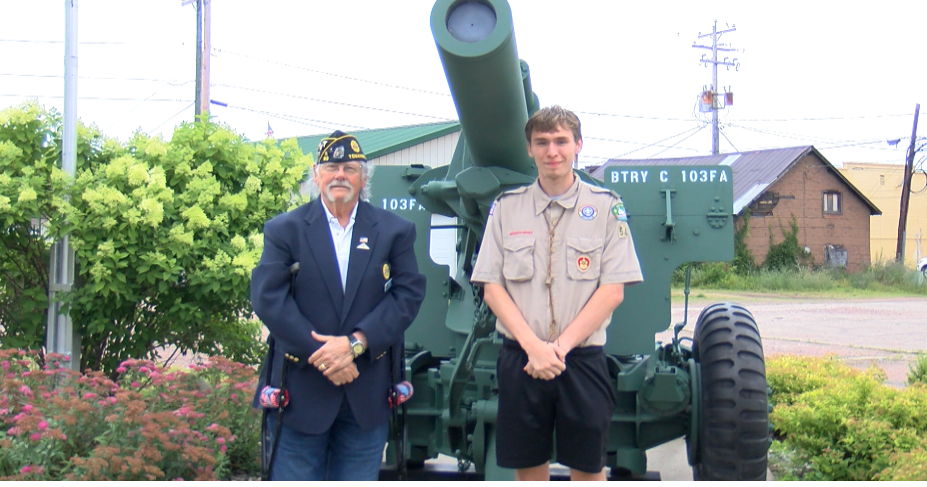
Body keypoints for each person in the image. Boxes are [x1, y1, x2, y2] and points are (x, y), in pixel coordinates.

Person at [471, 106, 643, 481]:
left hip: (581, 359)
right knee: (528, 467)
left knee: (588, 468)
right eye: (542, 142)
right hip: (523, 358)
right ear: (529, 149)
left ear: (578, 145)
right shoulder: (506, 209)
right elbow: (492, 288)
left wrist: (558, 349)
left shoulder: (606, 207)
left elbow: (612, 291)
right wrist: (534, 347)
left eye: (561, 141)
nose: (552, 151)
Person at [251, 130, 426, 481]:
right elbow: (268, 298)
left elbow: (407, 295)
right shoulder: (284, 230)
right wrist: (326, 354)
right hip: (300, 391)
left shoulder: (395, 231)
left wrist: (354, 344)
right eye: (331, 168)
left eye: (350, 168)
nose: (340, 175)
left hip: (367, 391)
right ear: (316, 176)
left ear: (364, 178)